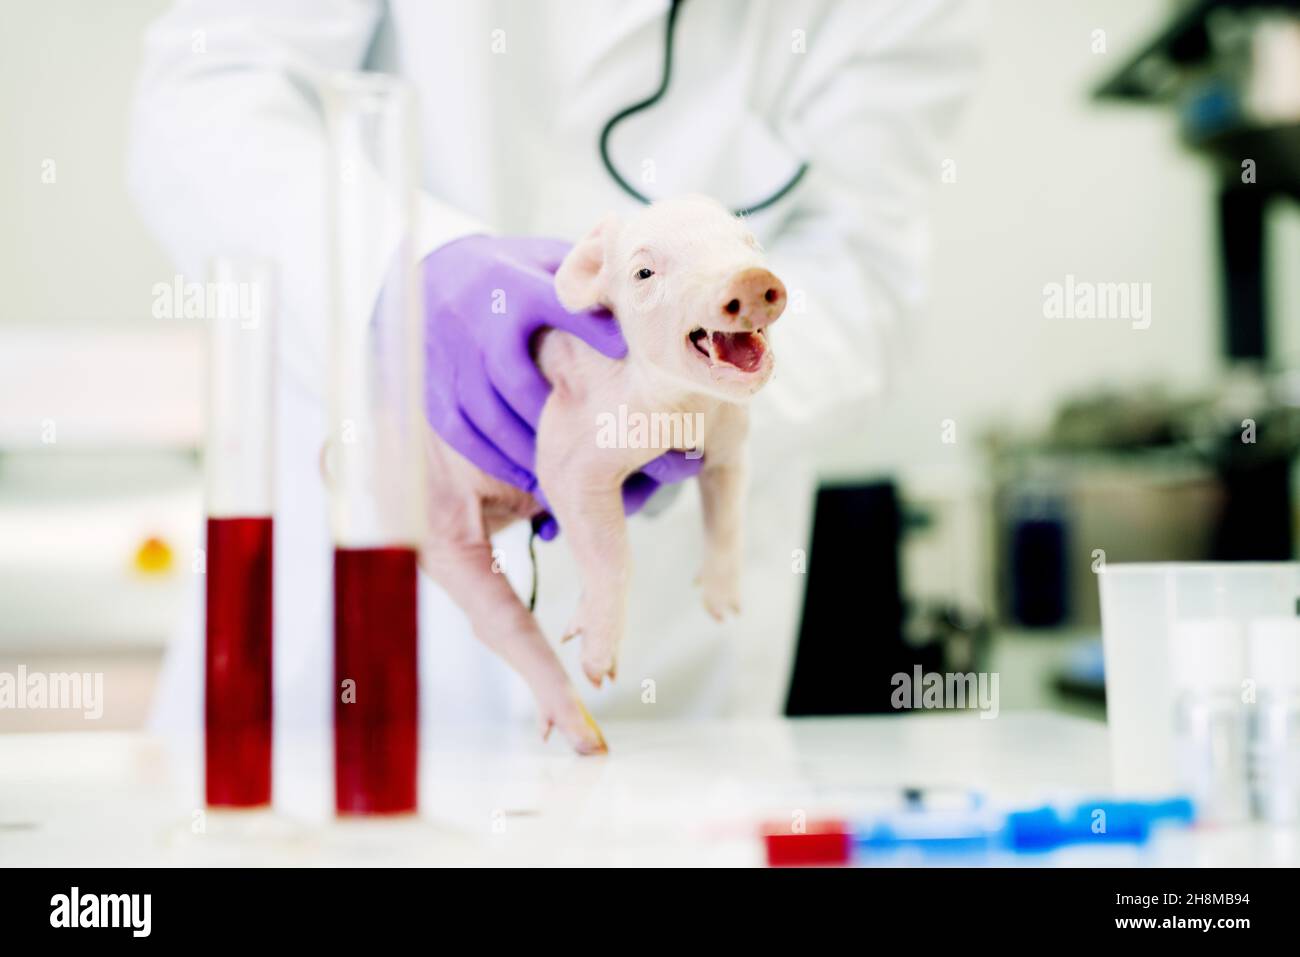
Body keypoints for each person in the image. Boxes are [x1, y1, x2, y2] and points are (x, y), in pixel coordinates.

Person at [129, 0, 981, 743]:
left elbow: (862, 273)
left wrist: (668, 402)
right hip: (349, 574)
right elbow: (210, 91)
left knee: (617, 794)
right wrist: (405, 280)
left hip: (672, 677)